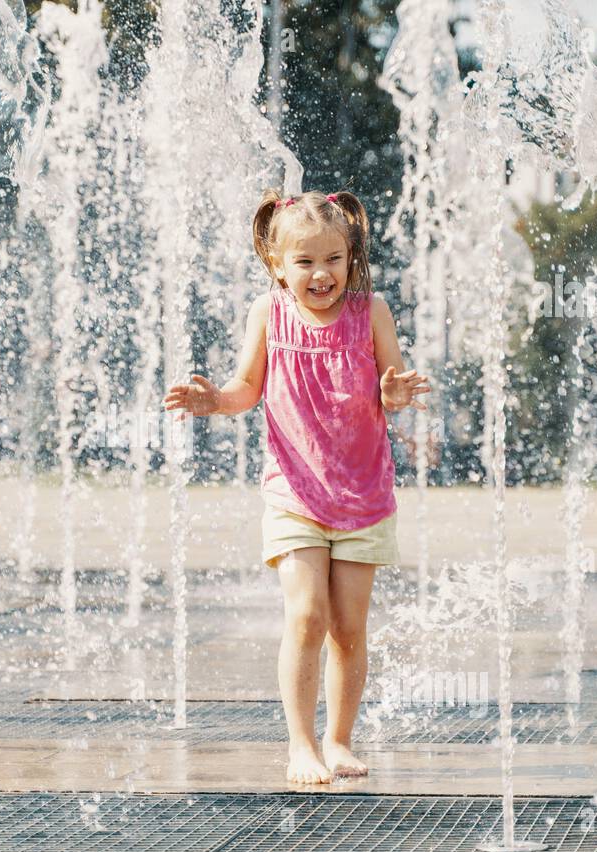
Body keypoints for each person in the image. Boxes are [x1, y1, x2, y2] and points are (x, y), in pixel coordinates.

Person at [163, 189, 430, 784]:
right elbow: (245, 387)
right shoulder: (269, 313)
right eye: (305, 261)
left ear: (351, 257)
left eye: (333, 259)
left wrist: (397, 394)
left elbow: (389, 387)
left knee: (348, 625)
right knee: (306, 615)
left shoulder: (372, 311)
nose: (321, 273)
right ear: (277, 264)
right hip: (294, 490)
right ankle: (301, 745)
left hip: (362, 495)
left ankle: (339, 740)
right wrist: (214, 402)